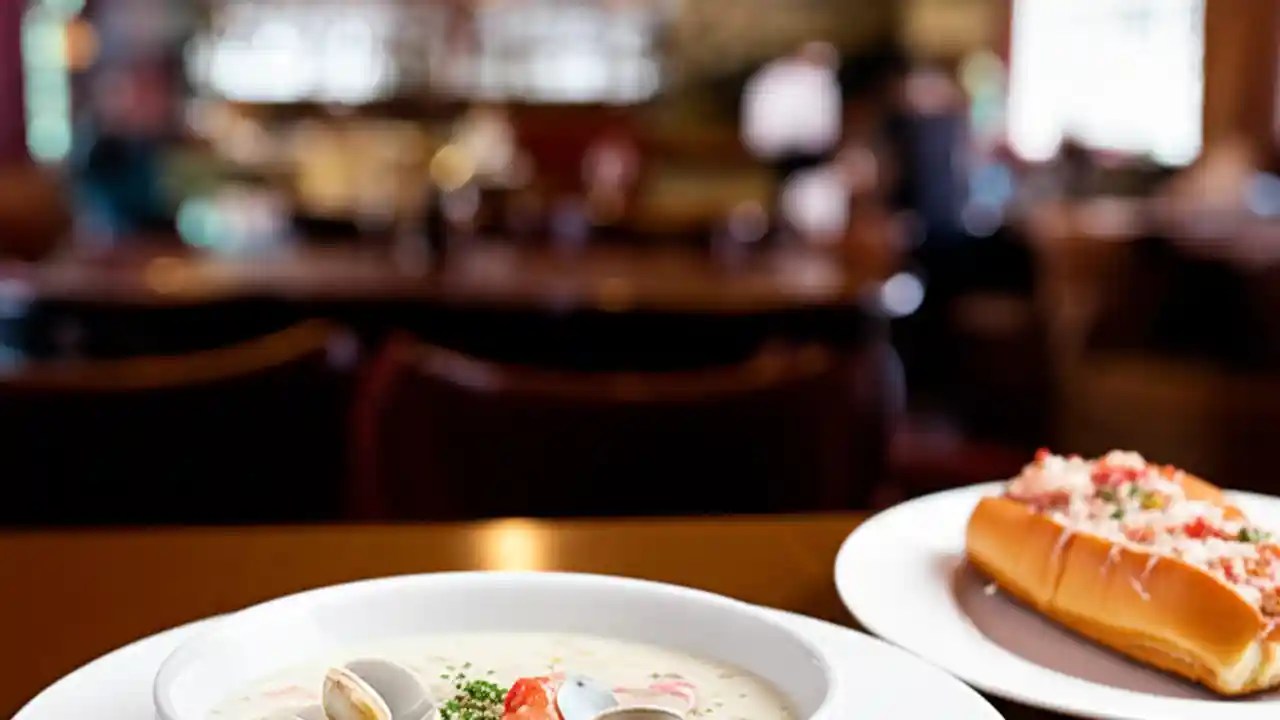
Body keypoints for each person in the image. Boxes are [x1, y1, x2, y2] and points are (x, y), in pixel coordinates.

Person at [740, 41, 843, 185]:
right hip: (775, 151)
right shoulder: (773, 79)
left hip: (812, 153)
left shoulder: (822, 80)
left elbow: (826, 123)